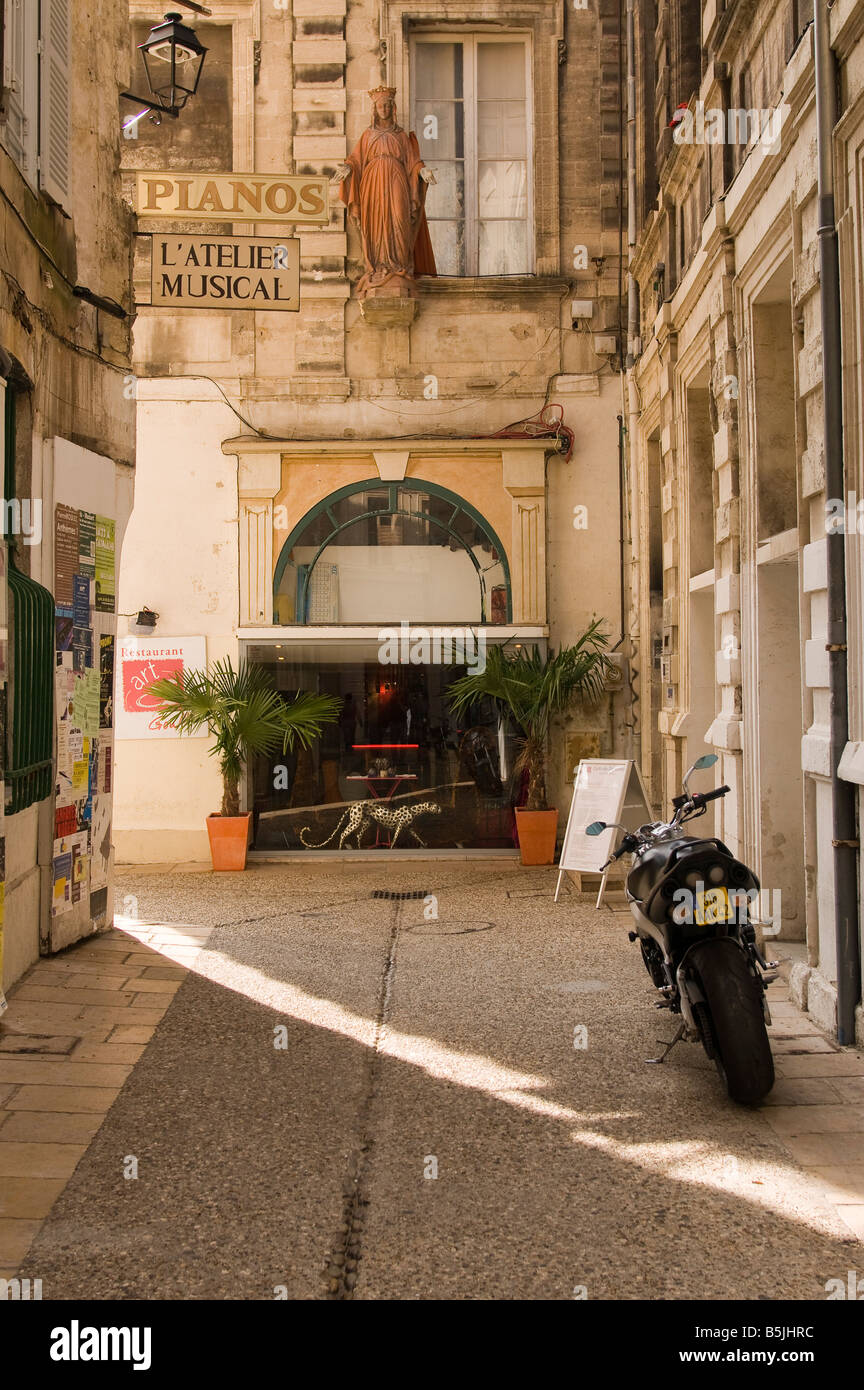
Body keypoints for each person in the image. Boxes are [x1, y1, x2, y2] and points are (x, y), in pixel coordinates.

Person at [333, 86, 437, 299]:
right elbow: (356, 159)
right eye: (381, 105)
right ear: (375, 108)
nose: (384, 109)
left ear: (393, 108)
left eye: (388, 105)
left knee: (399, 219)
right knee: (375, 224)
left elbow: (412, 161)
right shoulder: (368, 135)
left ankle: (398, 266)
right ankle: (377, 268)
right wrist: (347, 168)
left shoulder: (400, 136)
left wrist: (422, 170)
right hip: (372, 185)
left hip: (397, 181)